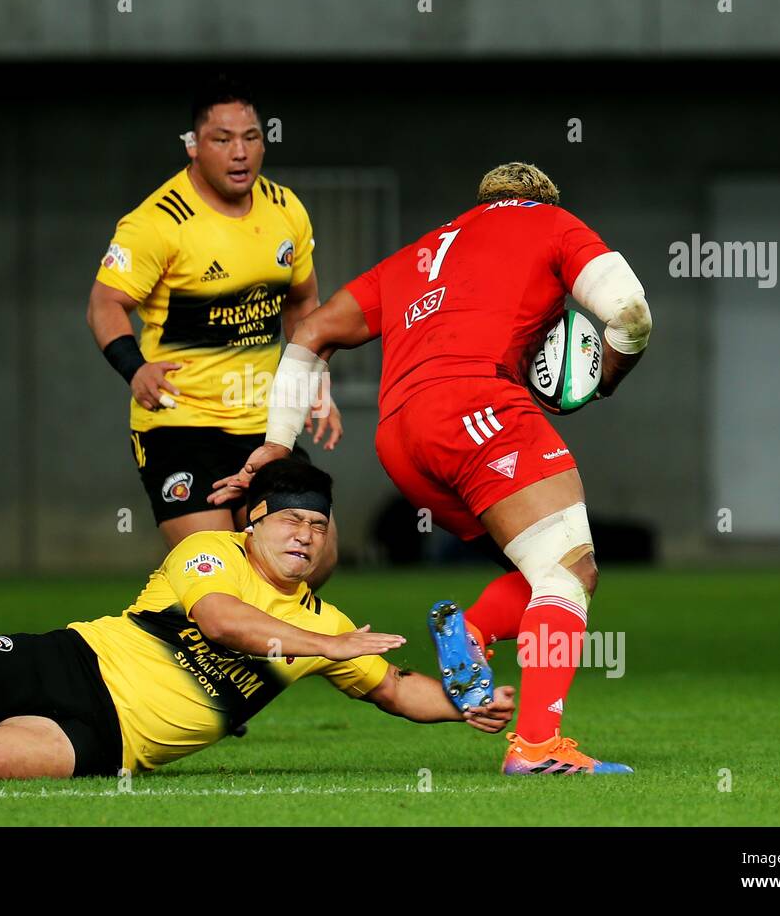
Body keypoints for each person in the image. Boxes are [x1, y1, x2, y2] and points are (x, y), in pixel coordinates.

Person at [209, 162, 651, 774]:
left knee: (546, 571)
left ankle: (472, 632)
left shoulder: (419, 253)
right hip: (480, 407)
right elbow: (630, 313)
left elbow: (310, 333)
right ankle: (536, 745)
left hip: (402, 440)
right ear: (539, 200)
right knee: (569, 571)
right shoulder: (550, 223)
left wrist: (279, 443)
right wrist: (606, 378)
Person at [0, 459, 515, 780]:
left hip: (113, 737)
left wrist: (466, 705)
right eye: (288, 522)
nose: (304, 537)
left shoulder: (331, 623)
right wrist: (327, 644)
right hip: (73, 658)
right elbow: (221, 624)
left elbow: (397, 689)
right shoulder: (214, 554)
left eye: (317, 528)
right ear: (251, 523)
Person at [85, 74, 343, 590]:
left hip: (266, 421)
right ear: (193, 146)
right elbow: (104, 304)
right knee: (220, 577)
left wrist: (312, 381)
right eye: (222, 139)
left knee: (314, 559)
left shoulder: (285, 209)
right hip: (182, 424)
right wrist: (135, 370)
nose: (239, 152)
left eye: (251, 137)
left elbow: (303, 302)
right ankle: (172, 645)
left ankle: (241, 648)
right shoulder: (156, 222)